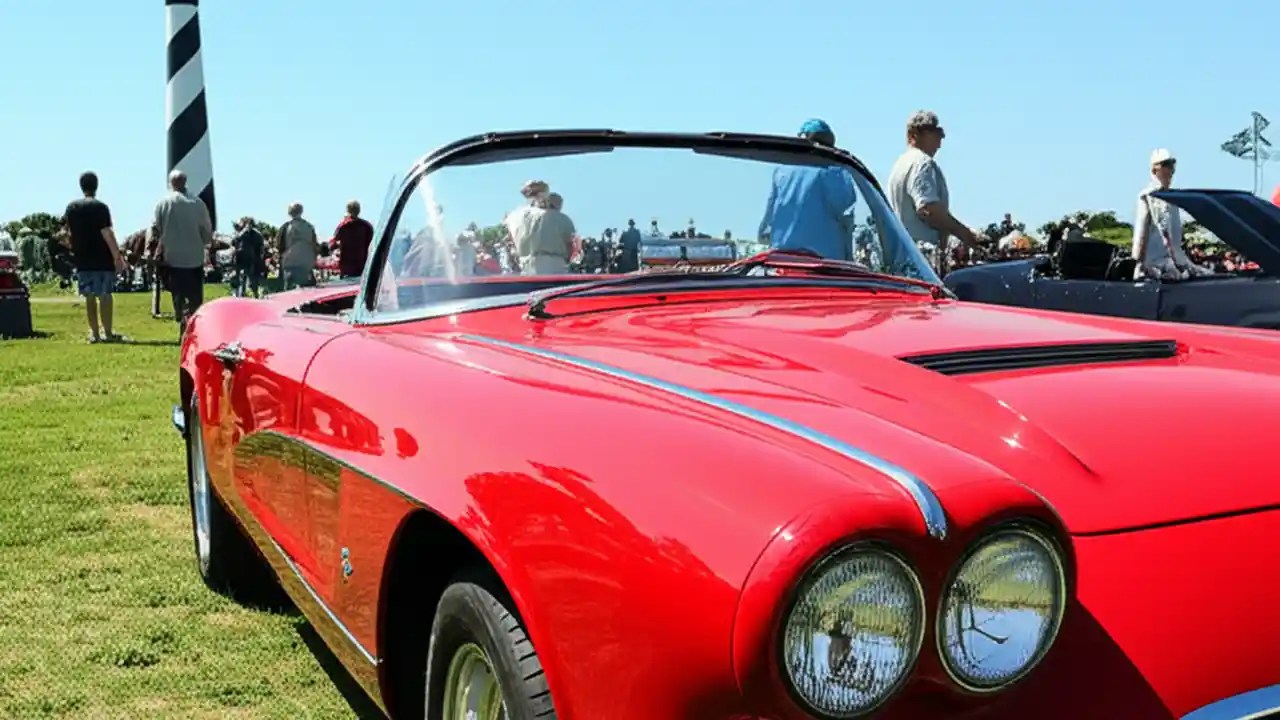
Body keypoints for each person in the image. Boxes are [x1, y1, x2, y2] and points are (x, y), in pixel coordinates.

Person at [886, 110, 985, 276]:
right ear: (915, 134)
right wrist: (965, 234)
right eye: (936, 133)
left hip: (904, 259)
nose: (941, 139)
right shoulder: (921, 163)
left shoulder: (899, 165)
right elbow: (928, 209)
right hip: (922, 260)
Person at [757, 119, 858, 260]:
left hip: (782, 264)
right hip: (825, 268)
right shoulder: (835, 171)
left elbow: (765, 229)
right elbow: (846, 218)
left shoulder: (781, 171)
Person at [63, 171, 126, 343]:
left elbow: (67, 233)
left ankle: (94, 333)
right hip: (102, 258)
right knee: (105, 295)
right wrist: (117, 257)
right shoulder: (101, 208)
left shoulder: (72, 208)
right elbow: (107, 233)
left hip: (83, 258)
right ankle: (108, 331)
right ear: (96, 186)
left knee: (89, 297)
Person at [1131, 148, 1211, 281]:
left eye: (1172, 165)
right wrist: (1138, 265)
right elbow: (1141, 235)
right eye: (1166, 165)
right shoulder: (1147, 197)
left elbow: (1174, 241)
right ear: (1154, 170)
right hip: (1154, 265)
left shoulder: (1172, 198)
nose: (1171, 170)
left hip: (1175, 263)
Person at [153, 169, 214, 336]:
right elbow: (206, 231)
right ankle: (192, 322)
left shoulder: (163, 203)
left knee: (177, 292)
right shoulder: (198, 203)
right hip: (194, 257)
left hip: (172, 257)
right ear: (185, 182)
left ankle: (181, 316)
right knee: (195, 296)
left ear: (170, 183)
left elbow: (156, 229)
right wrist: (204, 241)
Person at [518, 192, 576, 274]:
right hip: (557, 262)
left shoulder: (531, 218)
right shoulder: (565, 219)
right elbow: (571, 244)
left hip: (533, 261)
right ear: (559, 204)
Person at [278, 202, 319, 288]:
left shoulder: (285, 227)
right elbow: (315, 245)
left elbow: (280, 246)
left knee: (289, 292)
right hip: (306, 263)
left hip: (289, 263)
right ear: (301, 211)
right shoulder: (309, 227)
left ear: (289, 213)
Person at [332, 200, 374, 279]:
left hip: (347, 266)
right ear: (359, 210)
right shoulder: (366, 226)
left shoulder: (344, 225)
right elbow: (372, 243)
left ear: (348, 210)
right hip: (363, 265)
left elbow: (332, 244)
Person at [231, 216, 266, 297]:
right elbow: (234, 242)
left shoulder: (256, 234)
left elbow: (260, 247)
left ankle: (255, 294)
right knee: (241, 278)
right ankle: (241, 294)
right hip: (241, 258)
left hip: (251, 259)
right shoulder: (242, 233)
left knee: (252, 279)